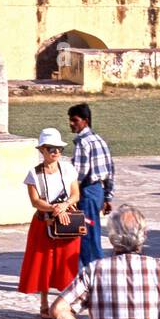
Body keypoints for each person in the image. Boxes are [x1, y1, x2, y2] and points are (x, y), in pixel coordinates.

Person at [18, 127, 83, 318]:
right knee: (44, 263)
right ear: (42, 150)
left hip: (66, 221)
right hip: (44, 221)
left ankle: (67, 304)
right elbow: (35, 201)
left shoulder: (68, 169)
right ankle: (44, 303)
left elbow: (75, 194)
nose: (56, 152)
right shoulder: (33, 174)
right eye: (51, 149)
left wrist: (64, 205)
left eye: (58, 149)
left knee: (66, 263)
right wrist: (54, 209)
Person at [68, 103, 115, 268]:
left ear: (85, 121)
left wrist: (69, 196)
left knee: (86, 235)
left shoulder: (83, 143)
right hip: (98, 191)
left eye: (75, 120)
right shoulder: (100, 140)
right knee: (93, 233)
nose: (71, 124)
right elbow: (110, 169)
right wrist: (108, 196)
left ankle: (93, 271)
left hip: (87, 192)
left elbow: (78, 174)